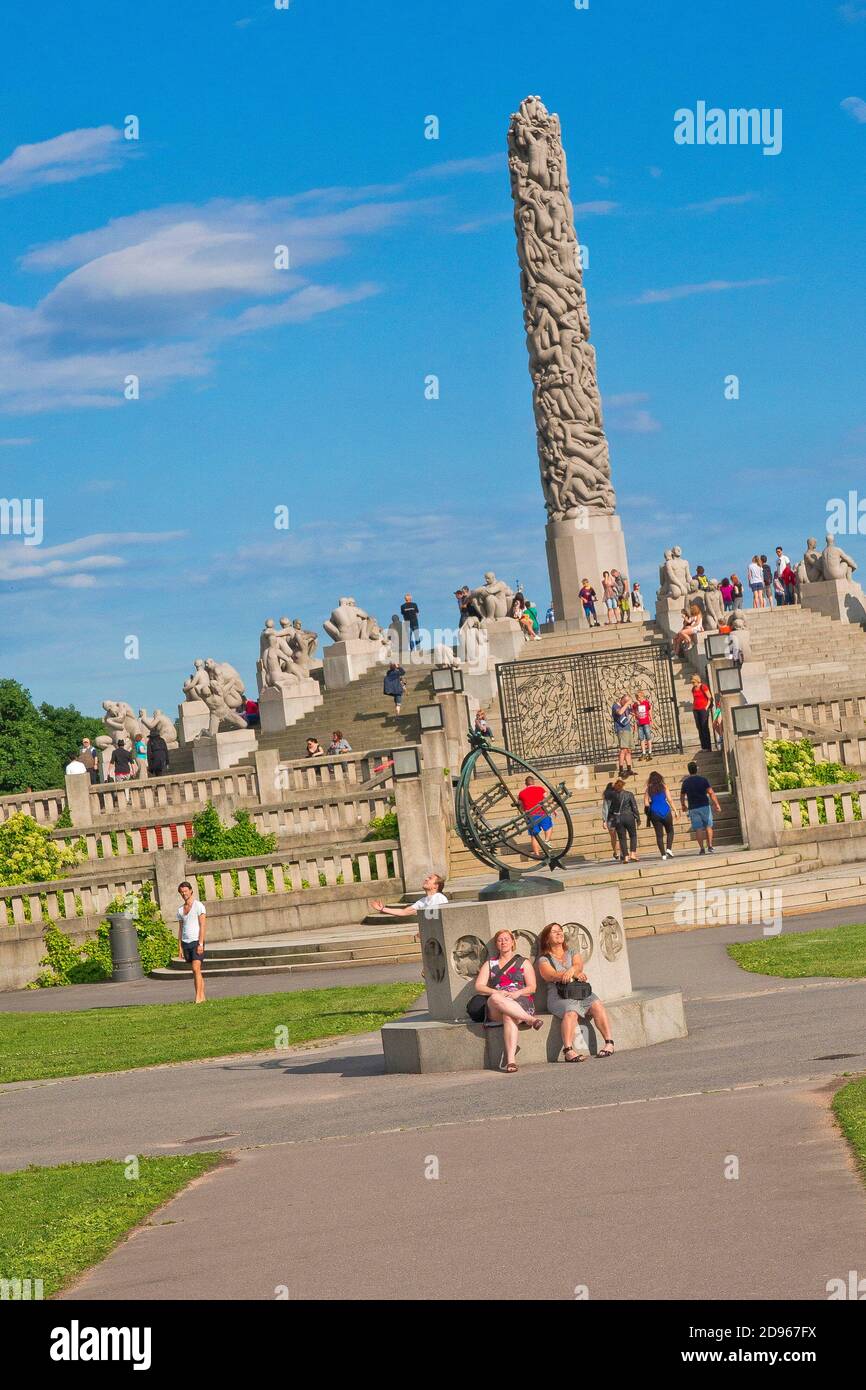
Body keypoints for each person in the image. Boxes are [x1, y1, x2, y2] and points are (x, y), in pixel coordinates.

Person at [537, 922, 615, 1060]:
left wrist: (572, 970)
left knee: (597, 1004)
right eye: (554, 932)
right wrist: (568, 974)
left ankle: (609, 1043)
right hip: (559, 995)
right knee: (571, 1011)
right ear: (547, 939)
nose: (559, 933)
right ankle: (568, 1050)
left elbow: (579, 966)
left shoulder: (572, 952)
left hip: (578, 991)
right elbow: (549, 975)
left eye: (560, 930)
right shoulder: (544, 958)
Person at [473, 928, 543, 1073]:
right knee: (495, 998)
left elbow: (532, 987)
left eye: (506, 939)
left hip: (520, 1001)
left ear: (512, 942)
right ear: (496, 944)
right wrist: (496, 991)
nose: (503, 942)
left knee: (508, 1015)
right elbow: (479, 986)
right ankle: (530, 1019)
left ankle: (511, 1061)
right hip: (496, 1004)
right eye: (499, 940)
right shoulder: (490, 964)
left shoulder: (523, 962)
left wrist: (518, 993)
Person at [680, 760, 722, 855]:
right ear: (696, 769)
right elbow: (711, 792)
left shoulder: (686, 782)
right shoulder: (703, 780)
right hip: (704, 806)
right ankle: (710, 846)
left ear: (689, 770)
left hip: (693, 807)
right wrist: (716, 804)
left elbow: (682, 795)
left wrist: (683, 805)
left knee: (698, 828)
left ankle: (702, 848)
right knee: (708, 826)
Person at [176, 880, 207, 1003]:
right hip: (186, 942)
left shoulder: (199, 906)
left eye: (185, 891)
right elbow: (180, 929)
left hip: (196, 941)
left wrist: (200, 943)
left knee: (196, 968)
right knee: (196, 971)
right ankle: (202, 996)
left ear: (191, 891)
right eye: (181, 892)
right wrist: (180, 947)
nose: (184, 894)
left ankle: (198, 998)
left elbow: (202, 925)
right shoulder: (180, 910)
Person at [371, 873, 447, 917]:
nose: (426, 879)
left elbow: (438, 917)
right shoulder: (423, 901)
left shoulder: (439, 898)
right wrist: (382, 909)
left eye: (430, 878)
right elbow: (404, 912)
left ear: (436, 886)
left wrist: (424, 930)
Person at [517, 775, 555, 857]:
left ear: (525, 783)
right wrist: (553, 809)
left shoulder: (521, 793)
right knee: (549, 827)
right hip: (542, 813)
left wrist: (524, 811)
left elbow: (521, 806)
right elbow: (547, 799)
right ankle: (547, 841)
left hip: (530, 816)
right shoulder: (540, 789)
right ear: (533, 782)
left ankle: (537, 854)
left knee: (534, 836)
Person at [644, 770, 678, 859]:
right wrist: (675, 810)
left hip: (655, 812)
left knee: (659, 835)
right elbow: (670, 799)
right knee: (670, 831)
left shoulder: (648, 789)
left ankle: (663, 855)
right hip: (666, 811)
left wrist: (648, 813)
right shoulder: (664, 786)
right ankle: (669, 849)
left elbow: (646, 803)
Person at [607, 777, 640, 862]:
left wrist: (610, 820)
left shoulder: (614, 796)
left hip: (618, 819)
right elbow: (634, 807)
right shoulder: (629, 794)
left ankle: (625, 856)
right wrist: (638, 818)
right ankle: (632, 854)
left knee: (622, 838)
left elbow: (611, 810)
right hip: (629, 817)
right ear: (623, 786)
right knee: (633, 835)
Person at [611, 694, 634, 776]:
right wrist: (627, 704)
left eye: (627, 701)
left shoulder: (626, 706)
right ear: (622, 700)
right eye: (625, 701)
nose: (626, 703)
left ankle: (629, 769)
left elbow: (633, 712)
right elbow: (620, 712)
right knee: (623, 750)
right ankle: (621, 770)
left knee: (628, 750)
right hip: (621, 730)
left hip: (627, 729)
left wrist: (637, 706)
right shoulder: (615, 706)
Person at [690, 673, 713, 751]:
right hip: (696, 709)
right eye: (692, 682)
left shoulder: (703, 687)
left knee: (704, 727)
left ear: (697, 681)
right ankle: (703, 747)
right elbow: (695, 698)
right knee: (699, 728)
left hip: (703, 709)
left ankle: (708, 747)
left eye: (693, 682)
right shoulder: (693, 689)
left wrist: (706, 707)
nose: (693, 684)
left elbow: (709, 697)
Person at [601, 776, 621, 861]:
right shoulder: (618, 795)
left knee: (613, 837)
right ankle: (618, 852)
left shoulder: (607, 797)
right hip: (617, 818)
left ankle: (616, 852)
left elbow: (605, 809)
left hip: (611, 819)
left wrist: (604, 821)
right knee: (620, 836)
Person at [632, 689, 653, 760]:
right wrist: (635, 723)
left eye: (639, 697)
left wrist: (651, 719)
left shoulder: (646, 703)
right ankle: (643, 753)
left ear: (642, 697)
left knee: (648, 737)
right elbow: (634, 713)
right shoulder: (635, 704)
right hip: (639, 723)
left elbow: (649, 711)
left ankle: (650, 752)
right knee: (641, 738)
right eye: (637, 697)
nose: (638, 699)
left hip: (646, 722)